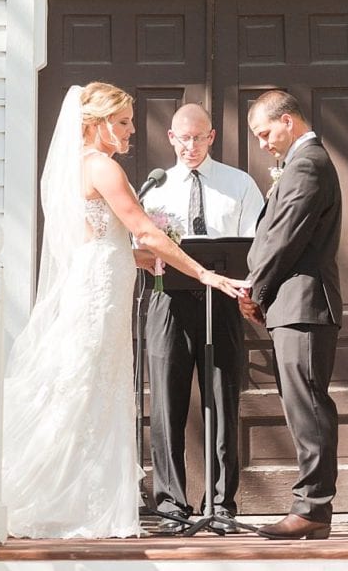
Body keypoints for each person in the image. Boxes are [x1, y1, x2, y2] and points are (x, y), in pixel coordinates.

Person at [2, 82, 243, 539]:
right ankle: (67, 499)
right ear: (97, 124)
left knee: (91, 386)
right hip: (99, 292)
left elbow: (101, 240)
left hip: (98, 279)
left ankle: (79, 499)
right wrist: (204, 273)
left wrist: (136, 258)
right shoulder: (102, 166)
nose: (132, 130)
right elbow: (145, 231)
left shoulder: (77, 166)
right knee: (88, 385)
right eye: (124, 122)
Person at [140, 103, 264, 535]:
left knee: (222, 401)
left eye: (198, 138)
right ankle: (171, 504)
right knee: (166, 404)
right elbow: (138, 242)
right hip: (167, 301)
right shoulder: (155, 187)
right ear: (171, 138)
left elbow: (256, 244)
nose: (190, 146)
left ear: (212, 137)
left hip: (222, 301)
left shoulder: (239, 183)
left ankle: (221, 504)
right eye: (183, 138)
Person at [241, 90, 342, 540]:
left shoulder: (308, 164)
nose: (263, 143)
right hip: (292, 303)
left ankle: (313, 507)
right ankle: (313, 509)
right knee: (302, 404)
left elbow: (284, 237)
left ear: (288, 121)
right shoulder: (301, 162)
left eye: (265, 133)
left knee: (309, 405)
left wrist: (254, 289)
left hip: (305, 302)